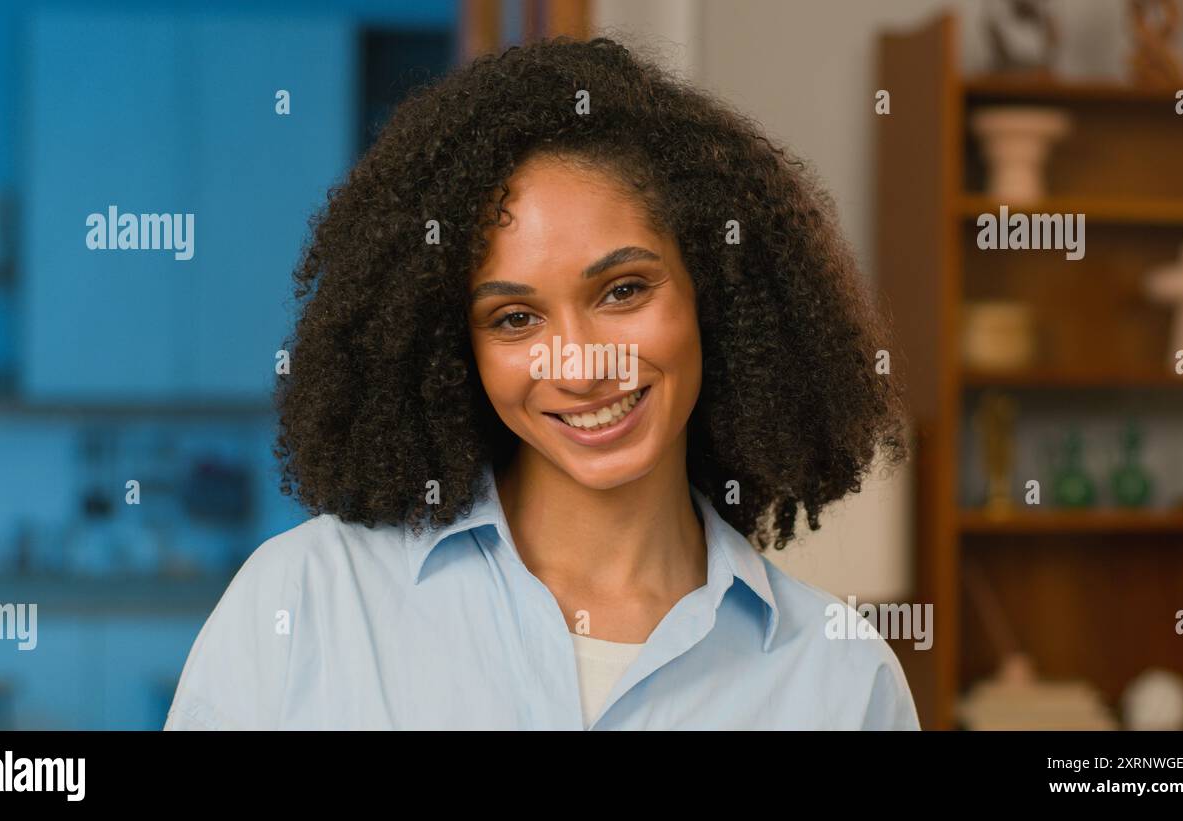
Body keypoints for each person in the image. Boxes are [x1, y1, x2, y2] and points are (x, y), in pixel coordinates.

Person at [165, 36, 918, 730]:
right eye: (515, 318)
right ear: (453, 348)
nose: (581, 364)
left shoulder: (839, 681)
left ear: (716, 291)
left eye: (623, 290)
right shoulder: (305, 601)